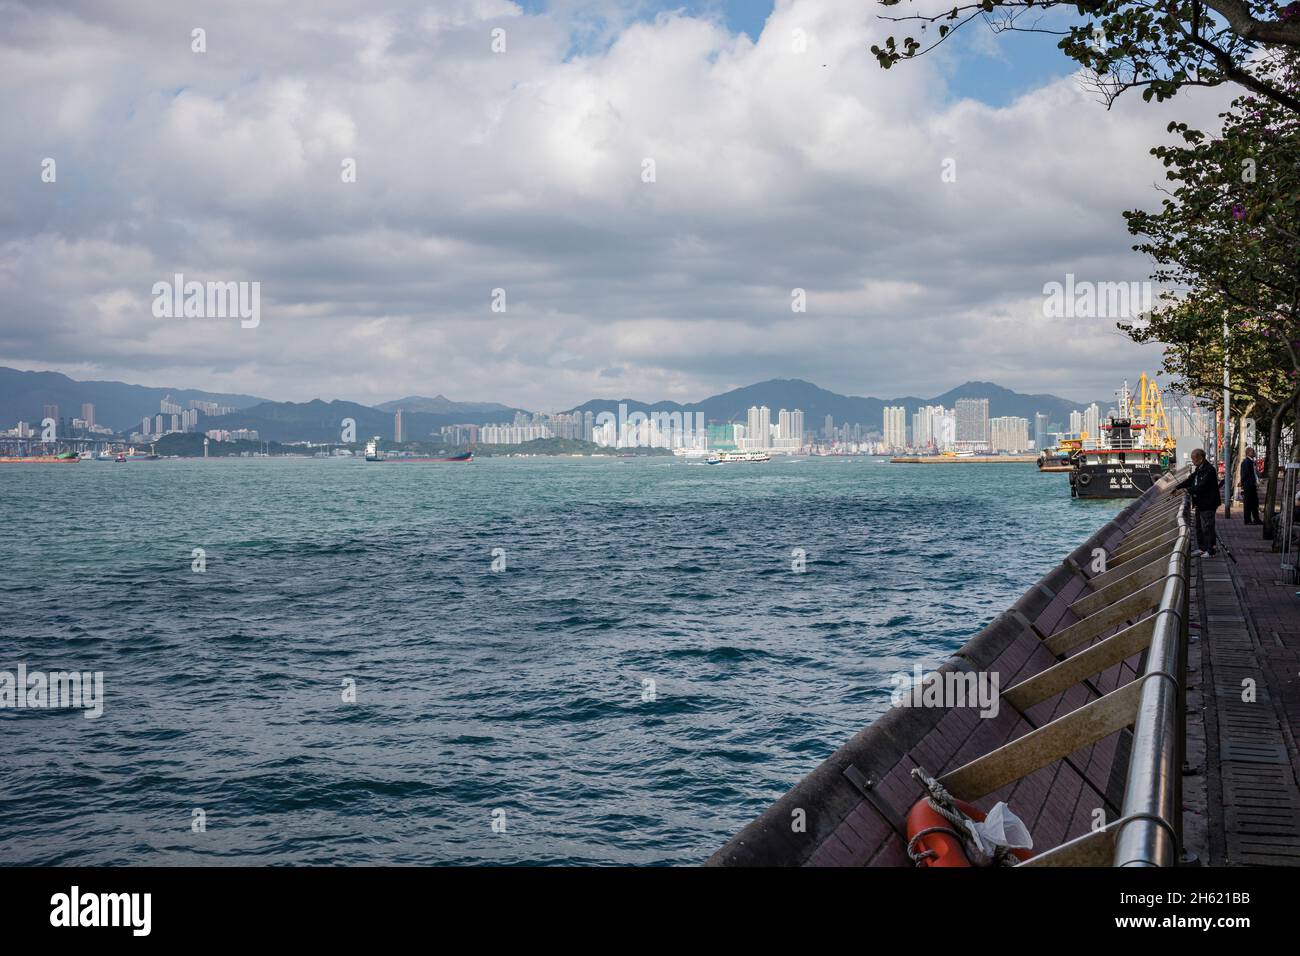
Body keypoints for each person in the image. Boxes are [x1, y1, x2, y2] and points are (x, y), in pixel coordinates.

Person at [1176, 448, 1221, 557]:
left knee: (1208, 527)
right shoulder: (1199, 468)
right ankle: (1202, 548)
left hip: (1208, 503)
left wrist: (1187, 490)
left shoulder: (1209, 470)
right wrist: (1178, 487)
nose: (1192, 461)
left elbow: (1202, 486)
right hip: (1200, 503)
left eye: (1194, 459)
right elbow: (1190, 480)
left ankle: (1211, 551)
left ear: (1200, 458)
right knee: (1199, 527)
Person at [1240, 447, 1261, 525]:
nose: (1254, 452)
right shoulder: (1246, 462)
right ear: (1248, 453)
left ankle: (1256, 519)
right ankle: (1247, 520)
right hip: (1248, 485)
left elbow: (1254, 473)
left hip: (1252, 484)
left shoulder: (1251, 462)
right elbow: (1245, 474)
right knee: (1248, 503)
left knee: (1254, 503)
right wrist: (1242, 483)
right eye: (1252, 451)